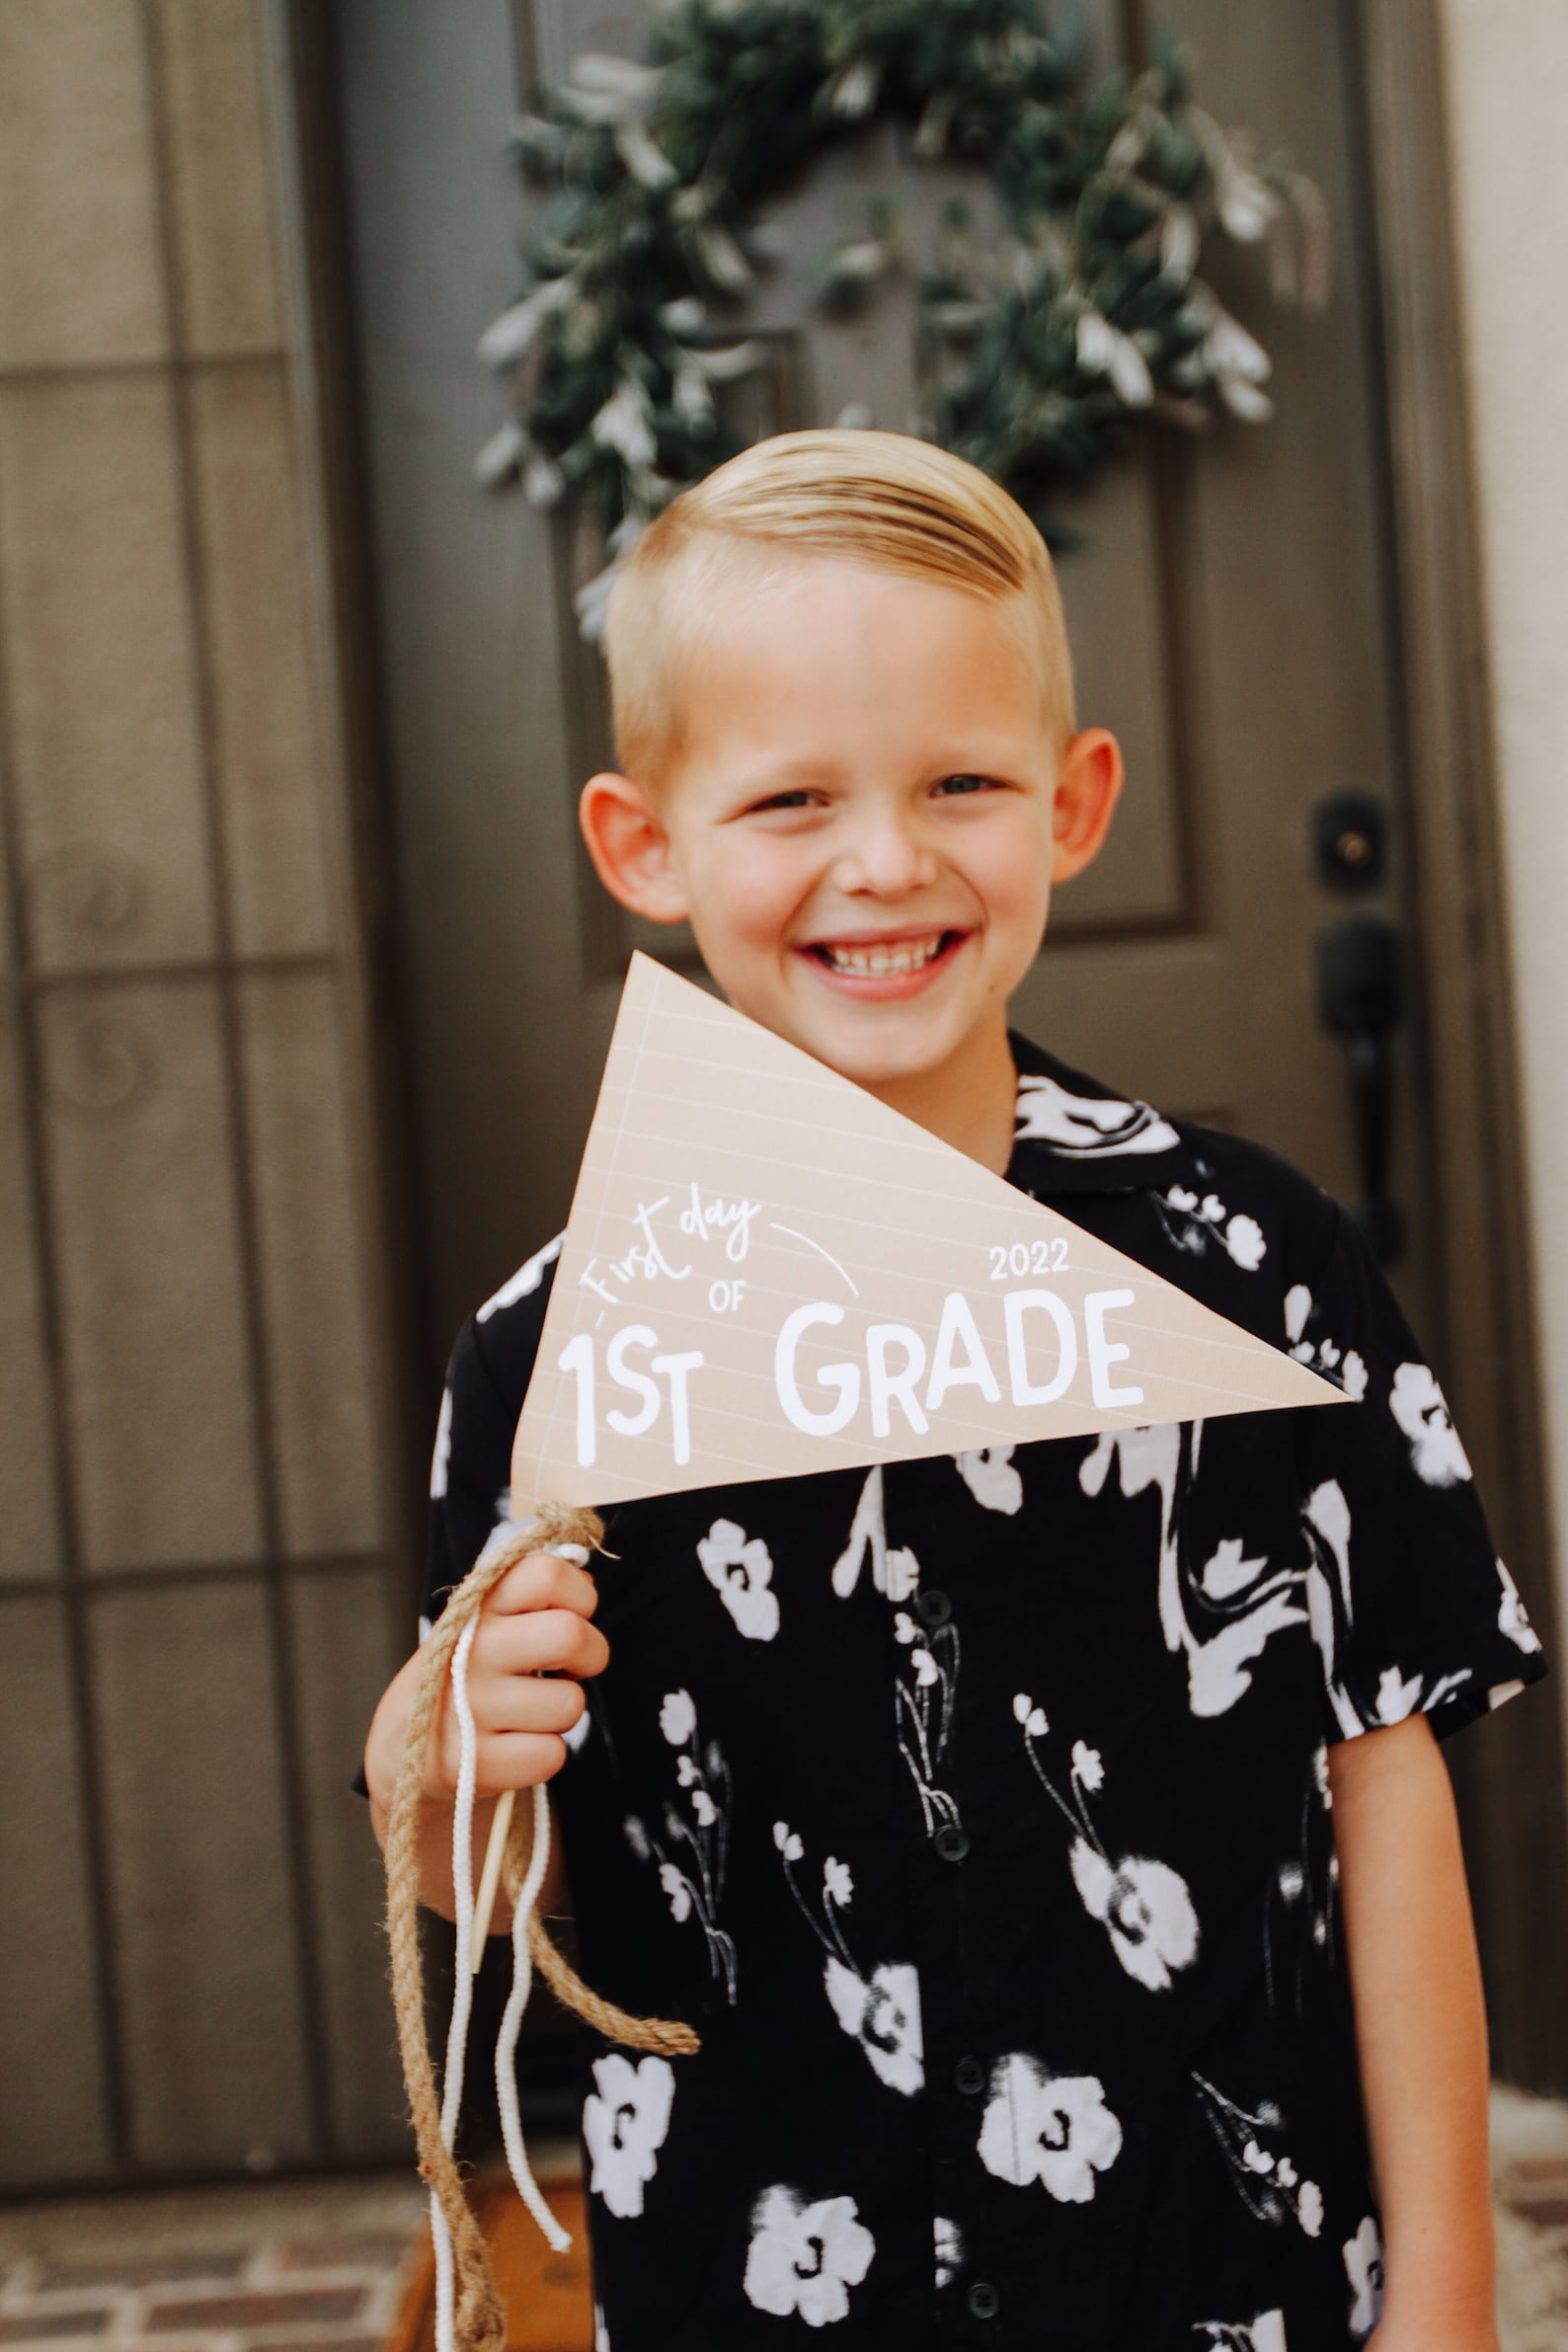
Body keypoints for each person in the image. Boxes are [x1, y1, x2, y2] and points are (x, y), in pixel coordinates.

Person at [362, 431, 1545, 2350]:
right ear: (638, 847)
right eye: (790, 799)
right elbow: (528, 1879)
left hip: (1225, 2277)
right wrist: (437, 1776)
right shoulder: (554, 1352)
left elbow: (1381, 1780)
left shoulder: (1255, 1265)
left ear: (1074, 805)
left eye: (958, 783)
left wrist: (1449, 2300)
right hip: (761, 2287)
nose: (884, 861)